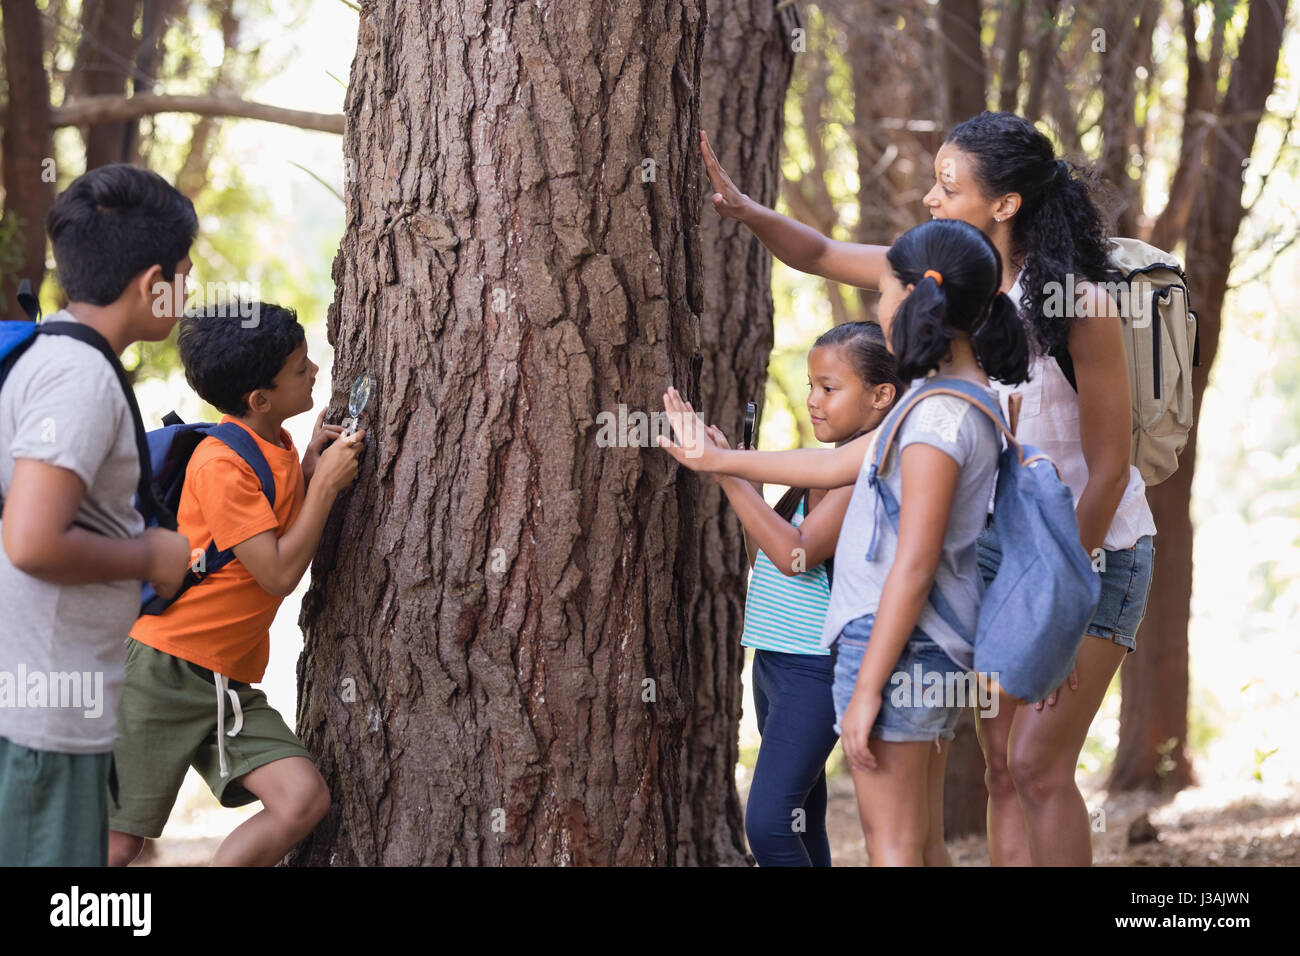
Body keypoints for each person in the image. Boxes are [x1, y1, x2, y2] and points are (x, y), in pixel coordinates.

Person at [700, 110, 1152, 866]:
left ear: (1004, 203)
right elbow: (815, 250)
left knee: (1039, 765)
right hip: (1001, 556)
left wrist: (1058, 606)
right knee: (1004, 766)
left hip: (1091, 555)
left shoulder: (1078, 305)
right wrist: (745, 210)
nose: (931, 201)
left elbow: (1109, 469)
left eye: (948, 185)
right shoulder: (949, 281)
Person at [659, 218, 1031, 865]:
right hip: (922, 646)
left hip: (899, 647)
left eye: (885, 291)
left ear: (918, 295)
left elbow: (913, 567)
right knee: (918, 844)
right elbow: (831, 467)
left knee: (892, 848)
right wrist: (720, 462)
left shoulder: (935, 420)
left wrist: (864, 692)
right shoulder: (956, 399)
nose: (880, 303)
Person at [107, 301, 365, 867]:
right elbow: (274, 571)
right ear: (259, 399)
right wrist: (322, 493)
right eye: (301, 369)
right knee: (119, 842)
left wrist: (309, 473)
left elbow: (264, 523)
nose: (315, 372)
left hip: (224, 681)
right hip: (163, 668)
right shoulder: (219, 465)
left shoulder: (275, 444)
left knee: (302, 800)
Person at [0, 165, 197, 866]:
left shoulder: (48, 353)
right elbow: (30, 539)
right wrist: (152, 556)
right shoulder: (80, 379)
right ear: (151, 283)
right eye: (184, 271)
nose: (189, 288)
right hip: (42, 721)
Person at [712, 321, 901, 866]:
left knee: (768, 825)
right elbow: (768, 560)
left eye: (829, 387)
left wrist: (726, 473)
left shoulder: (860, 471)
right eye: (811, 386)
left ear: (881, 395)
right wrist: (749, 486)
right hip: (775, 658)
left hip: (816, 666)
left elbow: (796, 558)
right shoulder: (821, 466)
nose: (813, 401)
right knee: (801, 817)